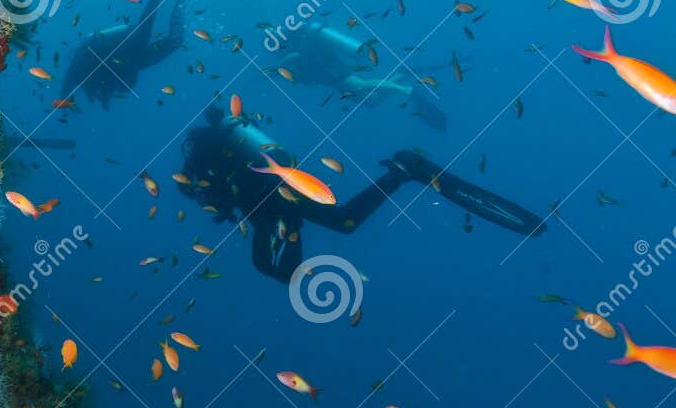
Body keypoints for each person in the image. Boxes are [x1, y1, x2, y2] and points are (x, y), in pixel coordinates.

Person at [179, 106, 546, 282]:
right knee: (327, 234)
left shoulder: (205, 163)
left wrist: (216, 201)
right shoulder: (221, 152)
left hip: (274, 197)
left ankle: (403, 171)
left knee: (336, 226)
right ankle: (402, 173)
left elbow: (227, 197)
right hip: (277, 196)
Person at [276, 22, 447, 131]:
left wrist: (279, 66)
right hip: (329, 78)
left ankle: (407, 90)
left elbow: (295, 58)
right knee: (371, 101)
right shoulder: (294, 44)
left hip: (331, 70)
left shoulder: (295, 46)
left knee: (360, 84)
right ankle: (401, 75)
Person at [61, 0, 186, 109]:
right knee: (175, 41)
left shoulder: (77, 72)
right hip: (136, 62)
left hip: (124, 49)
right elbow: (66, 90)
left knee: (145, 28)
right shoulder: (90, 82)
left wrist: (63, 100)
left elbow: (66, 86)